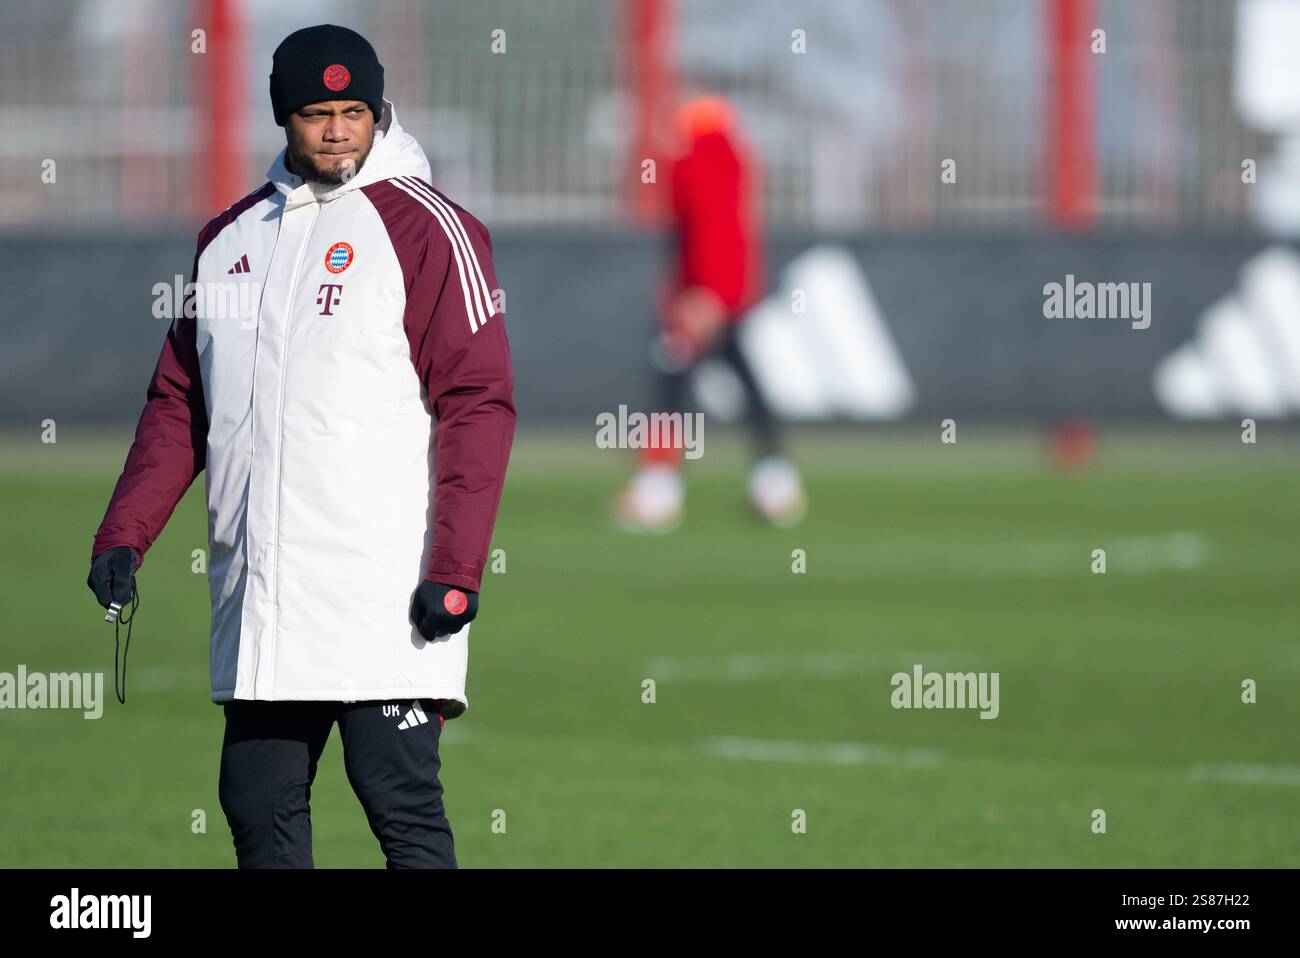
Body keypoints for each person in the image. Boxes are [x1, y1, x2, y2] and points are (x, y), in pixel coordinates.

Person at [84, 24, 515, 868]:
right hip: (263, 596)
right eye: (316, 113)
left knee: (400, 806)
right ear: (284, 117)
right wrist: (123, 535)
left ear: (377, 110)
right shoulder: (228, 241)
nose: (336, 130)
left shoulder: (430, 228)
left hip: (384, 591)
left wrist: (456, 574)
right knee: (255, 808)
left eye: (353, 111)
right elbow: (180, 404)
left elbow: (479, 404)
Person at [615, 94, 806, 532]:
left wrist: (703, 296)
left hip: (702, 298)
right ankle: (776, 484)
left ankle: (658, 491)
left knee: (670, 390)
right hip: (724, 294)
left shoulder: (700, 159)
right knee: (745, 384)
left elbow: (708, 229)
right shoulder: (733, 158)